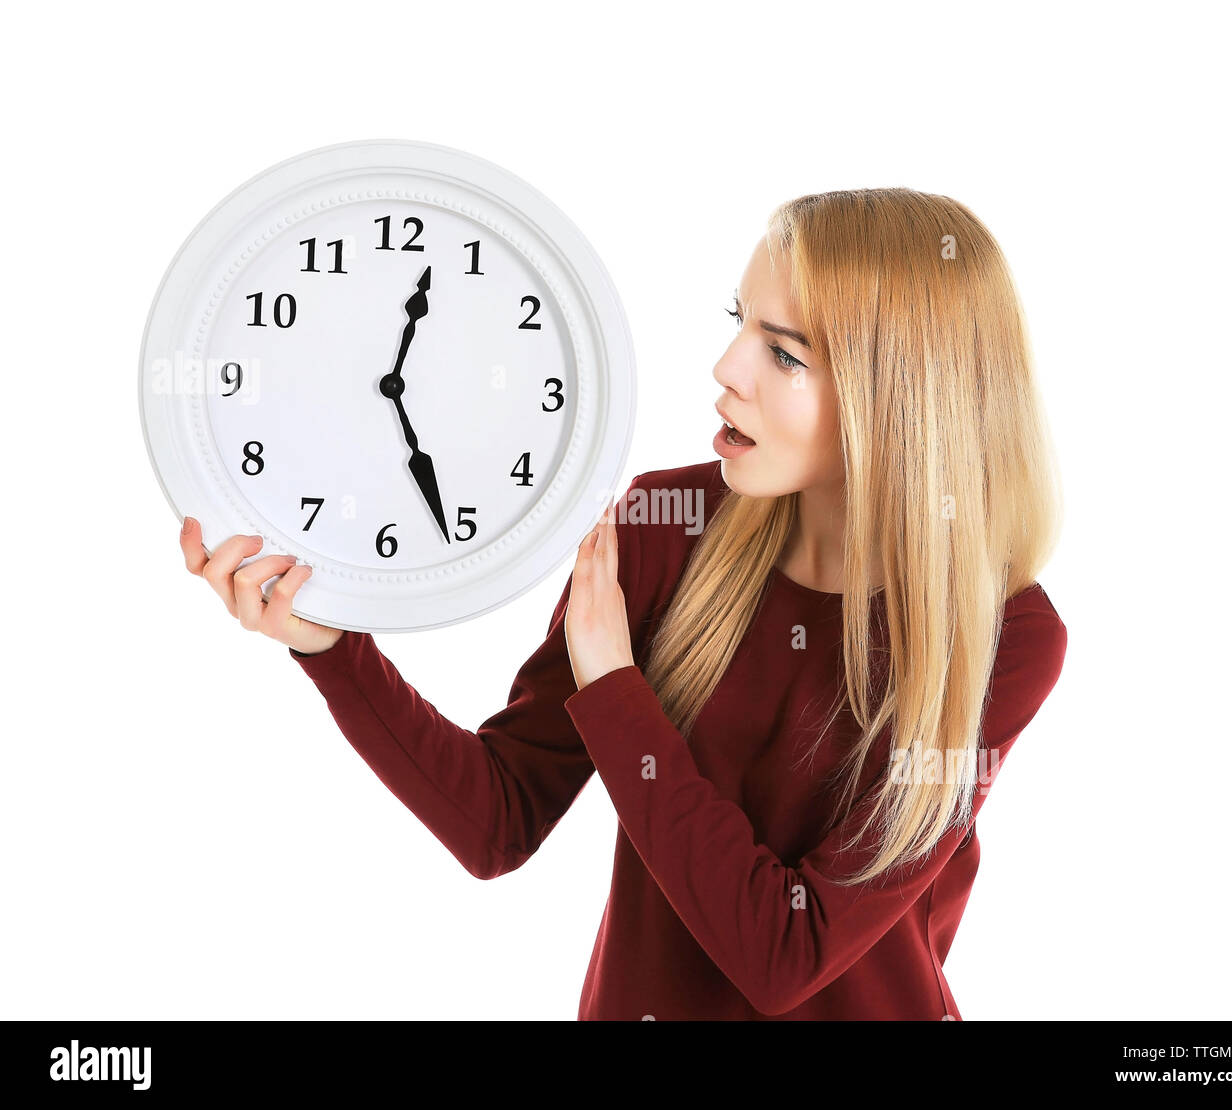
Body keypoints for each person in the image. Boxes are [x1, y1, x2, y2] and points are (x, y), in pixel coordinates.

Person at [179, 188, 1067, 1020]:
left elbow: (787, 955)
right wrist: (330, 644)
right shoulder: (660, 529)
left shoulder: (1008, 638)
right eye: (739, 324)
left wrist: (614, 688)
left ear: (898, 398)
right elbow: (497, 821)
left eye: (784, 353)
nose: (726, 368)